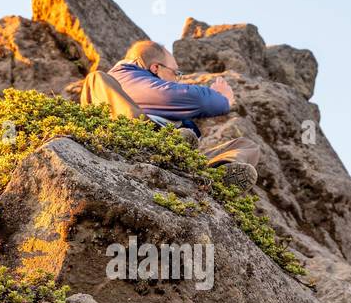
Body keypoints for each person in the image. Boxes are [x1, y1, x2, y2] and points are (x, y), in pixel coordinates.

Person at [105, 40, 260, 190]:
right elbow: (200, 100)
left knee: (246, 146)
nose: (177, 80)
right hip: (138, 138)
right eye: (175, 73)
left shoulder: (142, 84)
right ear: (155, 68)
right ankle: (183, 150)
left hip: (169, 143)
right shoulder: (124, 78)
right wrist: (224, 100)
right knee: (183, 135)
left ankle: (215, 172)